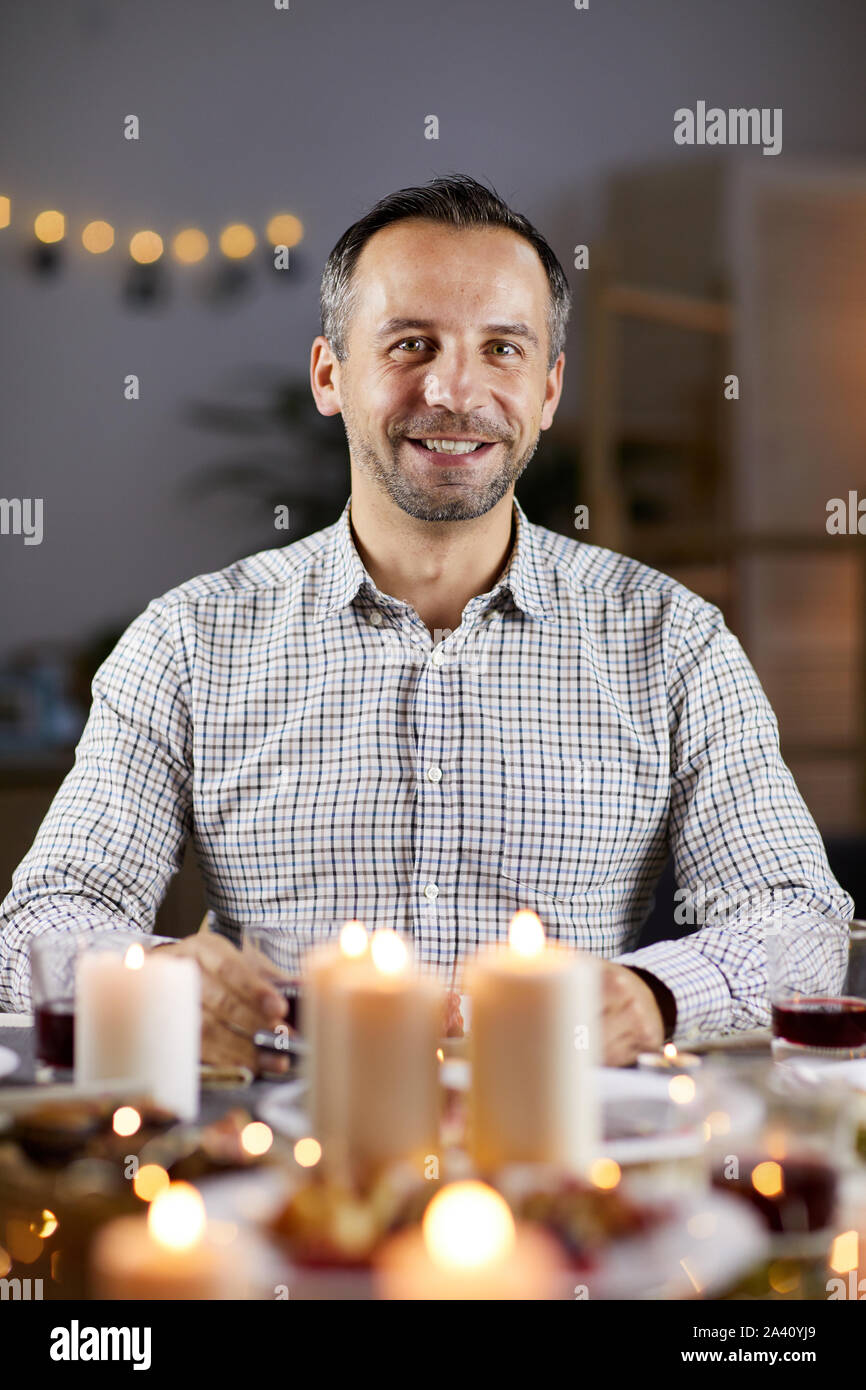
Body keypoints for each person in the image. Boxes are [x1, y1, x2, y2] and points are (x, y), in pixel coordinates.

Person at [0, 173, 852, 1070]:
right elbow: (44, 921)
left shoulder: (675, 642)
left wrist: (653, 996)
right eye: (411, 344)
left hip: (574, 1170)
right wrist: (156, 983)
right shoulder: (186, 641)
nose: (454, 390)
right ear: (330, 374)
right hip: (276, 1166)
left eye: (502, 350)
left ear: (550, 388)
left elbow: (797, 915)